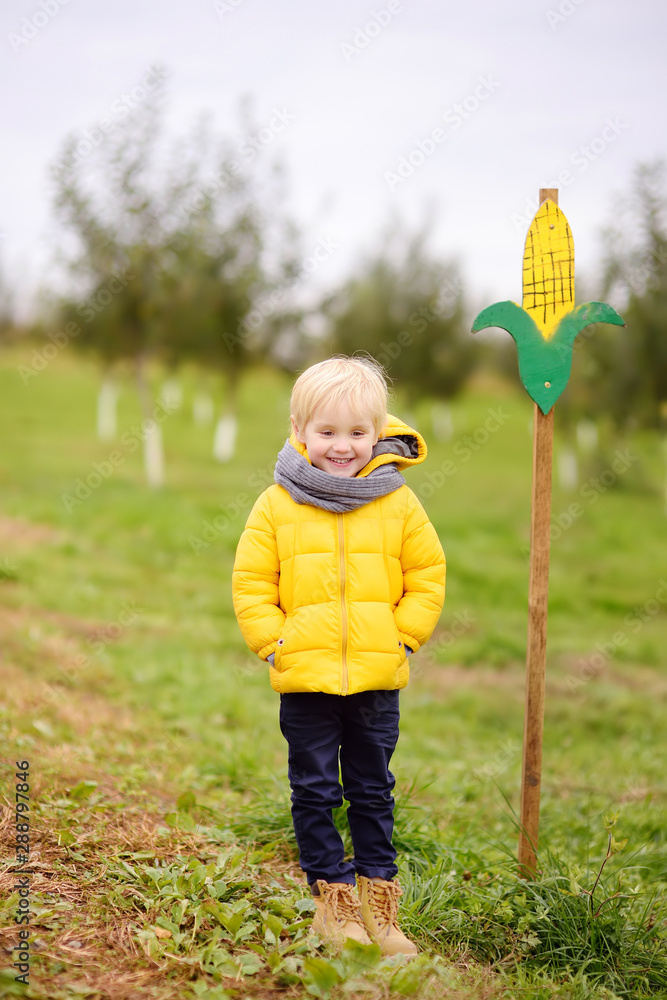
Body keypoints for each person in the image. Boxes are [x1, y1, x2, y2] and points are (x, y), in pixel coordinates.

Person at [232, 355, 446, 955]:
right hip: (306, 680)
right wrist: (275, 642)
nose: (343, 446)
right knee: (316, 788)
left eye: (357, 432)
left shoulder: (398, 502)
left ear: (377, 433)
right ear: (300, 432)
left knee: (373, 787)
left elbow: (427, 572)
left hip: (378, 678)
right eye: (327, 432)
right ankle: (334, 900)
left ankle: (381, 903)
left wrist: (403, 636)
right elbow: (251, 581)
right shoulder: (277, 504)